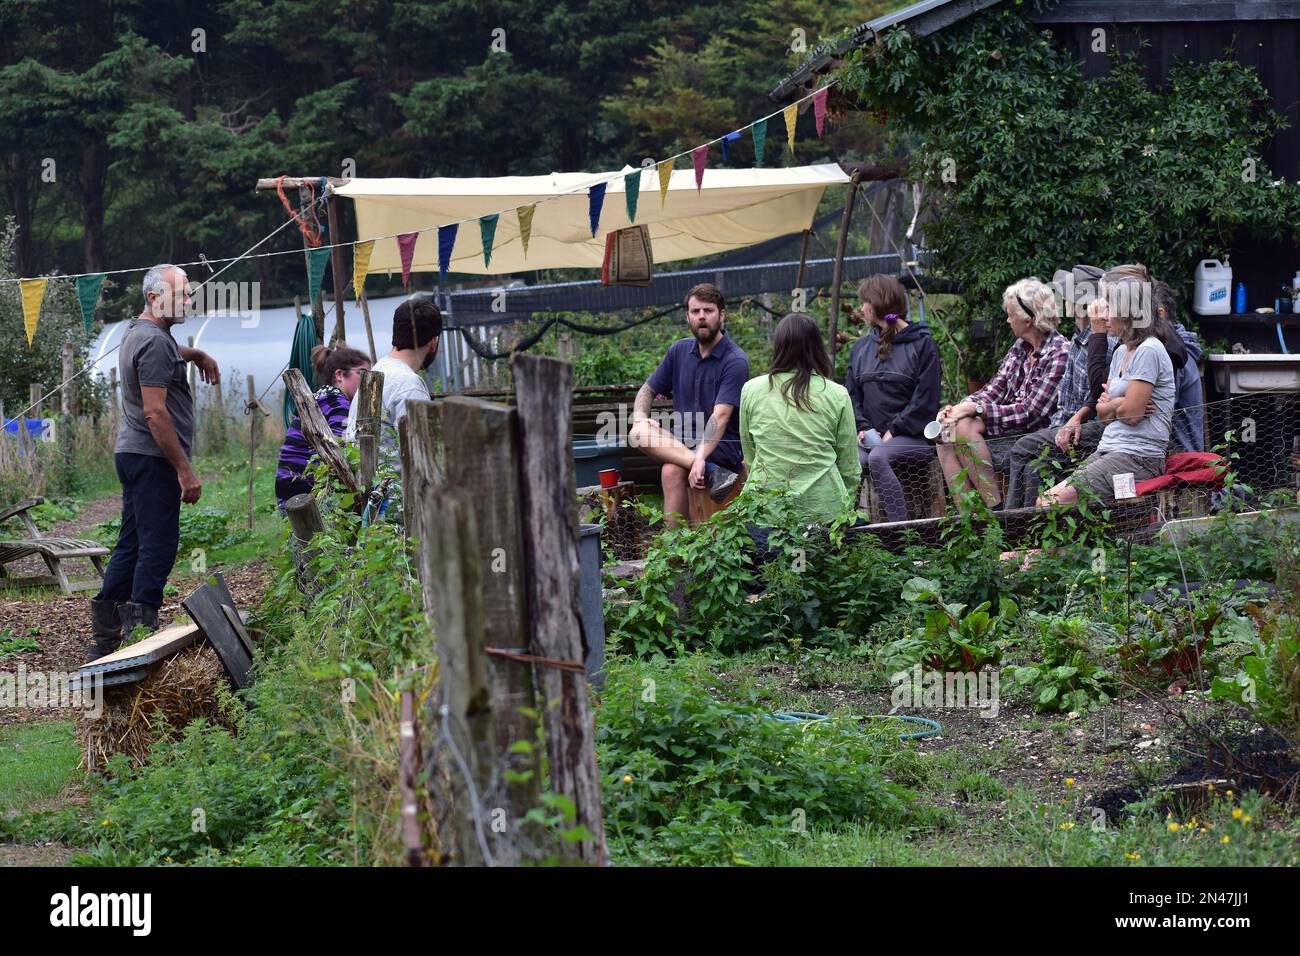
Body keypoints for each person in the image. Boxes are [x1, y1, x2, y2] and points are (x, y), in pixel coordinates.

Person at [90, 264, 221, 656]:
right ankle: (139, 635)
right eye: (180, 294)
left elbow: (162, 351)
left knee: (131, 542)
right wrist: (185, 470)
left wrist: (194, 352)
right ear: (153, 298)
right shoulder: (154, 341)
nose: (189, 301)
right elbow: (155, 413)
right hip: (152, 458)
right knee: (158, 545)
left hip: (131, 453)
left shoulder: (138, 332)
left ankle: (104, 638)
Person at [1039, 273, 1176, 506]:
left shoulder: (1149, 350)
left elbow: (1131, 416)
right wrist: (1118, 405)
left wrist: (1114, 405)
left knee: (1052, 502)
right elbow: (1102, 414)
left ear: (1129, 313)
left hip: (1138, 458)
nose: (1102, 316)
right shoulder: (1122, 352)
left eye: (1110, 309)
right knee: (1042, 501)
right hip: (1110, 449)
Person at [936, 278, 1069, 510]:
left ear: (1028, 318)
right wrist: (958, 409)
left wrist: (976, 409)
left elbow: (1030, 411)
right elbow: (994, 389)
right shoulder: (1020, 347)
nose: (1008, 320)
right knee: (944, 434)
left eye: (1010, 314)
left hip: (1035, 435)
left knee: (964, 427)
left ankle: (995, 512)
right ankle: (969, 518)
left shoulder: (1060, 352)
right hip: (1009, 427)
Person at [628, 283, 750, 526]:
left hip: (721, 447)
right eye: (695, 312)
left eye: (708, 310)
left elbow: (721, 417)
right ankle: (674, 554)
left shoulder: (735, 360)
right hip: (684, 443)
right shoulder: (679, 351)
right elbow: (647, 389)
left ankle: (674, 554)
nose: (701, 317)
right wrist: (640, 415)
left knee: (670, 470)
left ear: (722, 315)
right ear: (687, 317)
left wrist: (702, 456)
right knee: (638, 431)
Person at [1004, 265, 1116, 509]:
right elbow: (1065, 401)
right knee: (1035, 469)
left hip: (1091, 430)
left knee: (1021, 447)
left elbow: (1097, 395)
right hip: (1067, 427)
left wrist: (1066, 425)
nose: (1063, 299)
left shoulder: (1103, 341)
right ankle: (1028, 536)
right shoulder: (1077, 337)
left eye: (1069, 294)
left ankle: (1007, 523)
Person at [739, 313, 860, 522]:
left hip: (765, 513)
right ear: (816, 348)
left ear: (779, 347)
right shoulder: (837, 394)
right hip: (825, 513)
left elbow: (749, 456)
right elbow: (849, 466)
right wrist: (843, 512)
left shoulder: (751, 390)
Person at [845, 274, 941, 522]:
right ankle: (843, 528)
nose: (862, 308)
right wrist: (863, 427)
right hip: (870, 438)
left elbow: (926, 401)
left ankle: (901, 536)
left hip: (913, 439)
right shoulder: (860, 349)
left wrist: (895, 430)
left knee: (879, 456)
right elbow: (851, 395)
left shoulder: (922, 344)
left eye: (865, 301)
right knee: (849, 460)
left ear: (875, 304)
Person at [344, 295, 441, 475]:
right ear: (433, 342)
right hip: (396, 498)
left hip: (369, 493)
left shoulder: (377, 371)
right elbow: (423, 459)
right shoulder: (409, 385)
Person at [275, 344, 371, 507]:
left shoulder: (320, 397)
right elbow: (343, 451)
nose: (368, 379)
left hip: (288, 489)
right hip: (305, 495)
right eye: (362, 373)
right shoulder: (337, 404)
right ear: (340, 375)